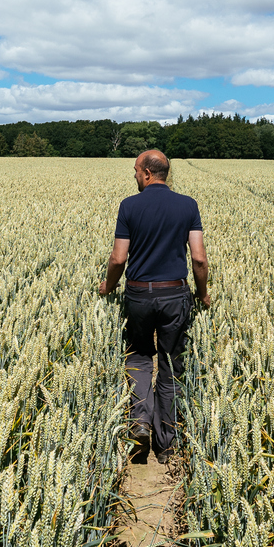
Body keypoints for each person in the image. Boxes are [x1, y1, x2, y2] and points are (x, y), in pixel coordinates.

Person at [99, 149, 210, 464]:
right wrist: (203, 294)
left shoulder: (129, 206)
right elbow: (199, 258)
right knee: (170, 366)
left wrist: (108, 285)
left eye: (135, 170)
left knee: (139, 357)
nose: (134, 176)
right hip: (175, 295)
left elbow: (119, 258)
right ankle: (166, 444)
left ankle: (139, 423)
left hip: (139, 296)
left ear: (147, 173)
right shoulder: (188, 205)